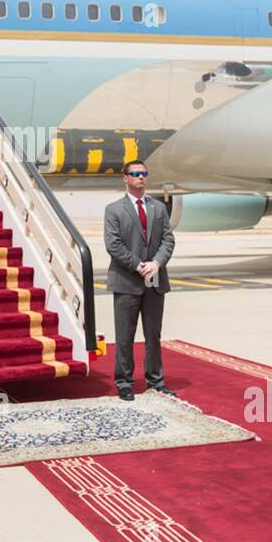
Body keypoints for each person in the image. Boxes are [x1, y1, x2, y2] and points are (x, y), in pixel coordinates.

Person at [103, 160, 176, 401]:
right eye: (135, 174)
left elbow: (168, 239)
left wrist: (156, 263)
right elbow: (113, 244)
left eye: (144, 174)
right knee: (125, 335)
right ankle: (124, 382)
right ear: (125, 177)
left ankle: (156, 381)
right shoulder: (114, 210)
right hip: (127, 279)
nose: (141, 177)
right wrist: (138, 265)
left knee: (153, 334)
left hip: (154, 278)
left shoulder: (158, 208)